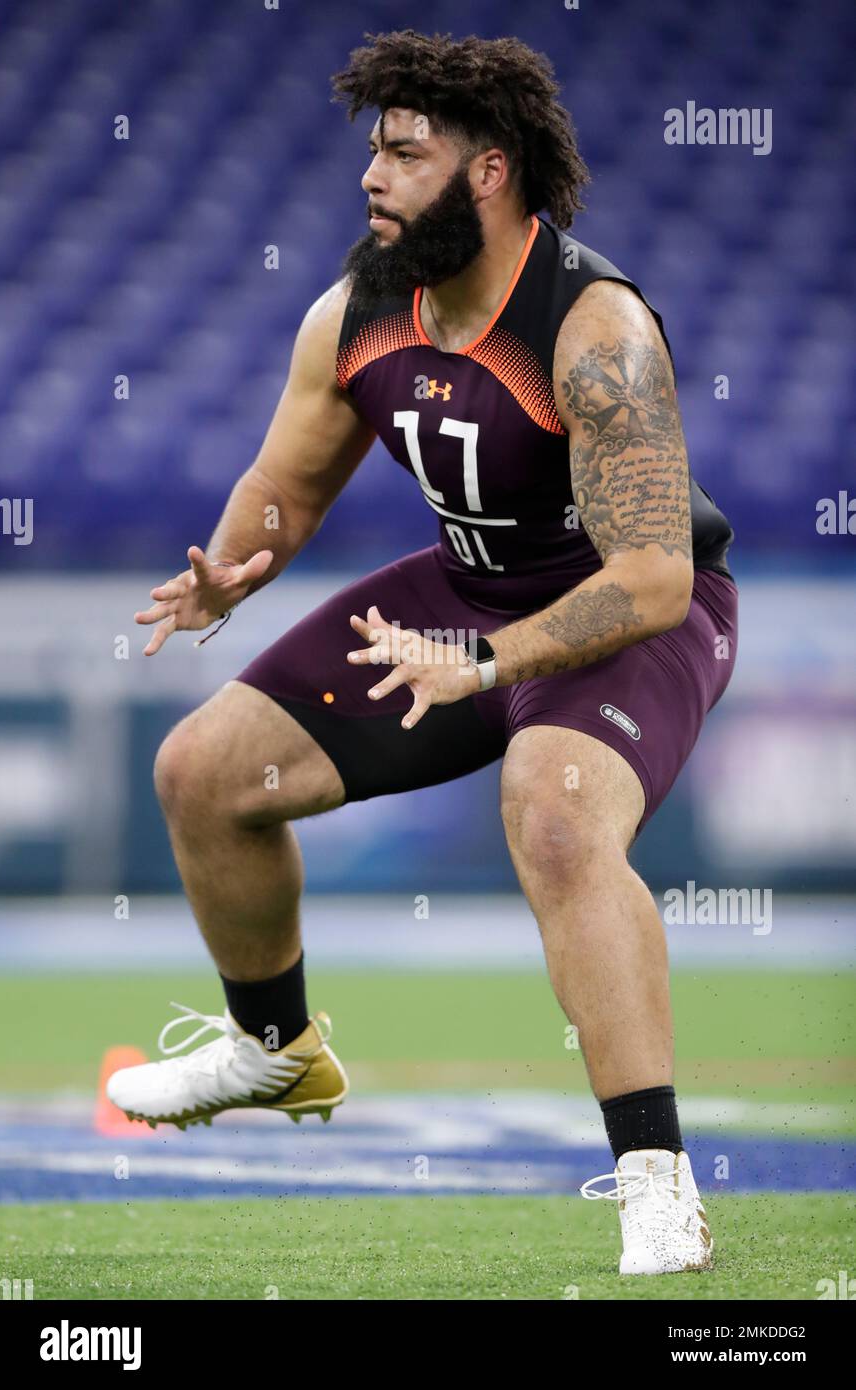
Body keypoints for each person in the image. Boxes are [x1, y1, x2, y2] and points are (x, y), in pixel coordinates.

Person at [108, 31, 736, 1275]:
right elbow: (281, 483)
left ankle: (656, 1180)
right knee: (203, 772)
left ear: (489, 173)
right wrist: (234, 568)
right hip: (462, 593)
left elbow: (654, 576)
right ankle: (276, 1050)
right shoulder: (353, 313)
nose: (370, 176)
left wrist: (497, 664)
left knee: (553, 814)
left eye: (405, 151)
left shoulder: (591, 326)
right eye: (372, 149)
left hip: (624, 611)